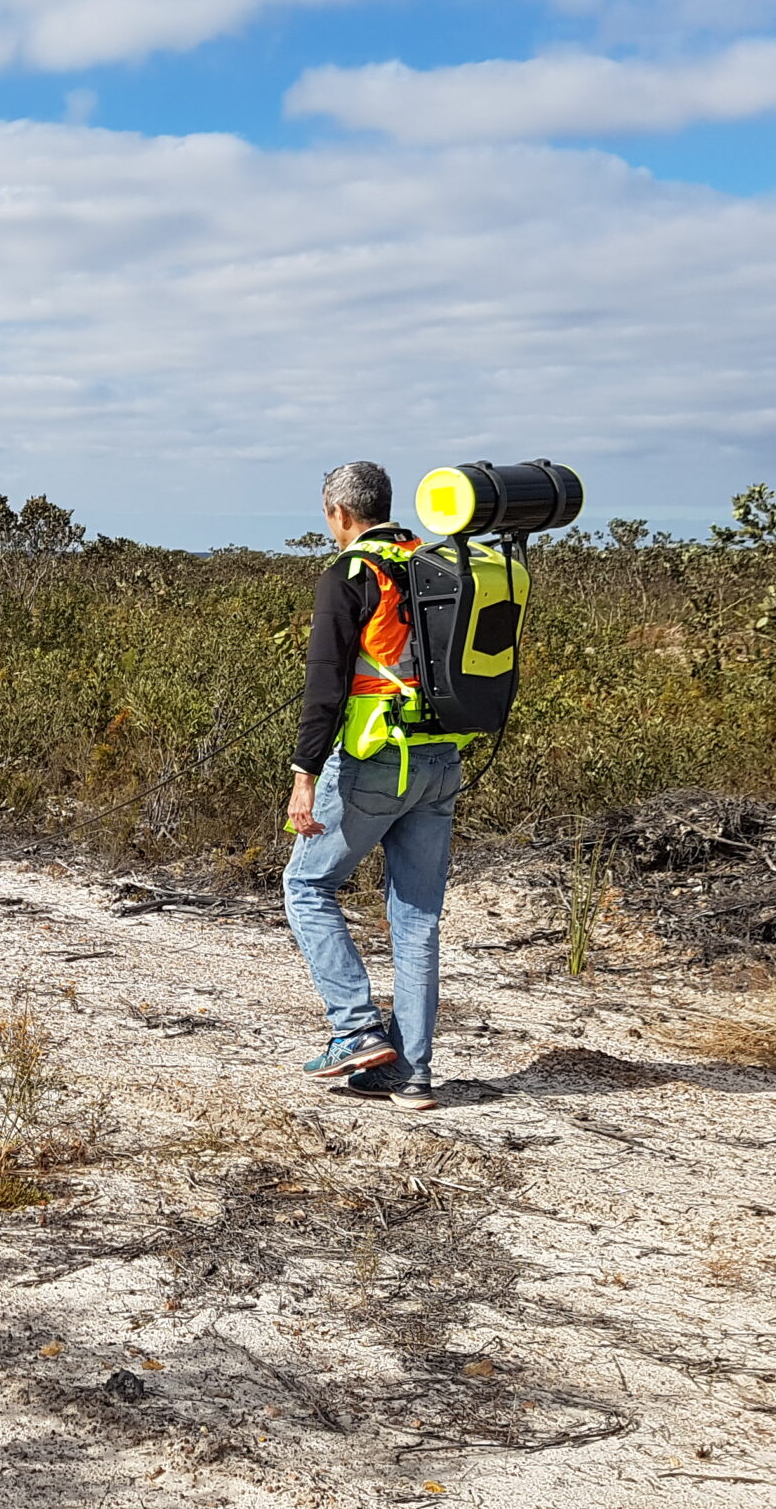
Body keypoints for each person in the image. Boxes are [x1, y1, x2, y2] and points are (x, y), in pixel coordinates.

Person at [282, 460, 471, 1112]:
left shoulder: (351, 574)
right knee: (416, 921)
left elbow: (325, 687)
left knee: (307, 885)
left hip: (374, 759)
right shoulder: (438, 564)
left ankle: (358, 1032)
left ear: (339, 514)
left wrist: (303, 778)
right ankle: (411, 1076)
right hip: (441, 758)